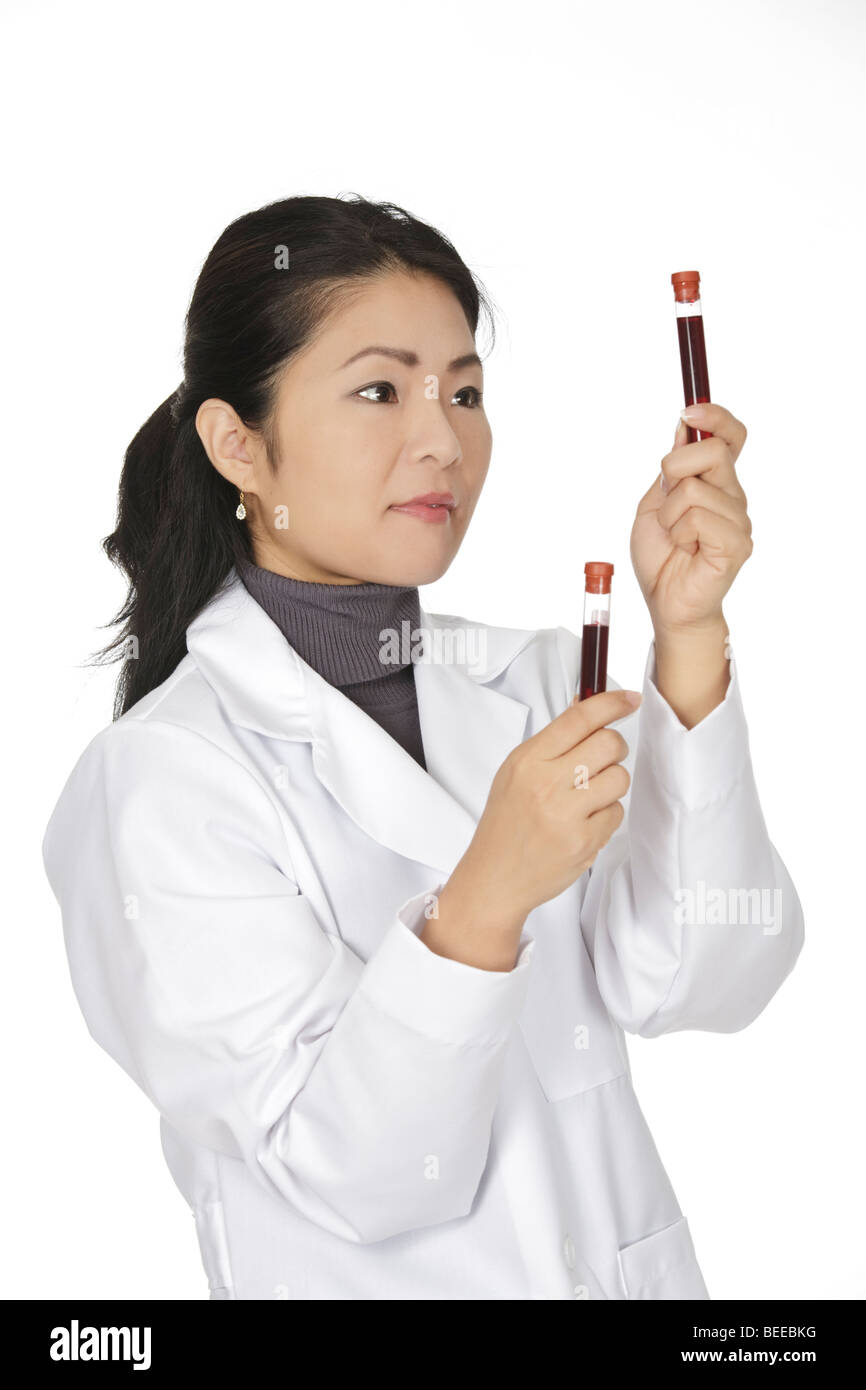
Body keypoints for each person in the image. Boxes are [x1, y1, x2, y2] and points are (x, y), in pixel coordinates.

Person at [41, 194, 804, 1300]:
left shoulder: (538, 680)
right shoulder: (160, 782)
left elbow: (703, 977)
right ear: (237, 445)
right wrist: (487, 893)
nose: (443, 436)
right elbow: (355, 1175)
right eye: (378, 389)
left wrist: (686, 633)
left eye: (463, 389)